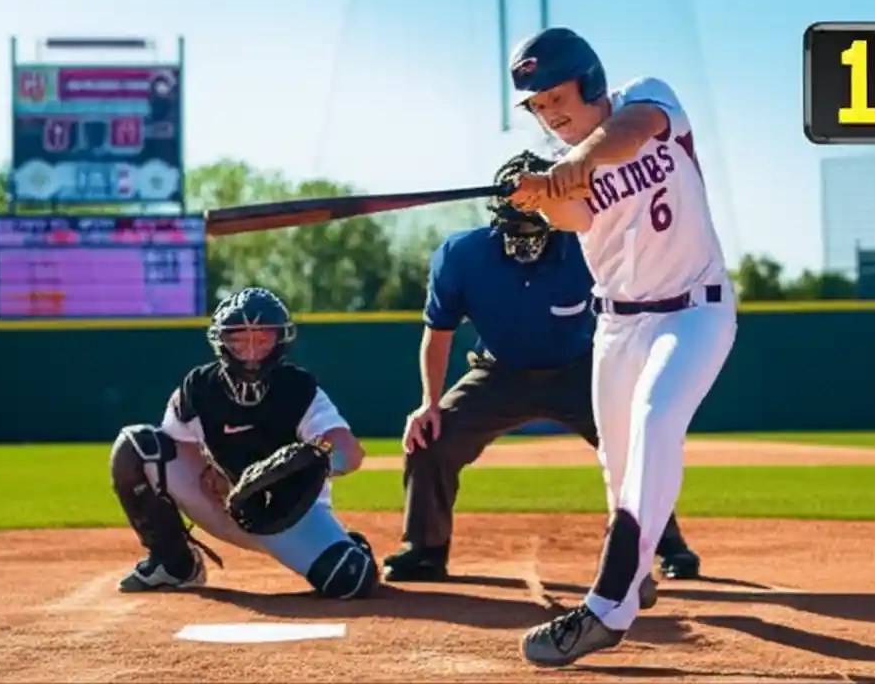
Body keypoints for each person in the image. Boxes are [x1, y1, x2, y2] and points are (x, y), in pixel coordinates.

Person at [503, 27, 739, 667]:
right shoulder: (560, 168)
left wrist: (576, 164)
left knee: (656, 418)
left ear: (591, 79)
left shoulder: (648, 99)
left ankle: (608, 605)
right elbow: (573, 216)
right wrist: (537, 198)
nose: (550, 113)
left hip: (694, 313)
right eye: (537, 105)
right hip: (616, 327)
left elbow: (633, 131)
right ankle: (635, 575)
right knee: (618, 460)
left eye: (556, 95)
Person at [381, 190, 703, 588]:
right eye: (513, 228)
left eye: (534, 227)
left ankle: (666, 543)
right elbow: (438, 332)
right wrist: (428, 404)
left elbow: (630, 312)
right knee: (431, 439)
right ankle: (425, 551)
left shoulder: (589, 247)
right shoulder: (461, 254)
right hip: (498, 372)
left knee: (636, 443)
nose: (523, 240)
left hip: (579, 371)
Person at [108, 286, 378, 599]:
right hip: (221, 502)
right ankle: (174, 563)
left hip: (287, 515)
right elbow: (174, 443)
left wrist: (317, 458)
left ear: (280, 340)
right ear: (222, 341)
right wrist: (211, 469)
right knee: (136, 447)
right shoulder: (198, 388)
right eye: (239, 339)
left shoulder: (298, 388)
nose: (251, 350)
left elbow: (349, 450)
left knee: (351, 578)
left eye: (262, 339)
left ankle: (342, 543)